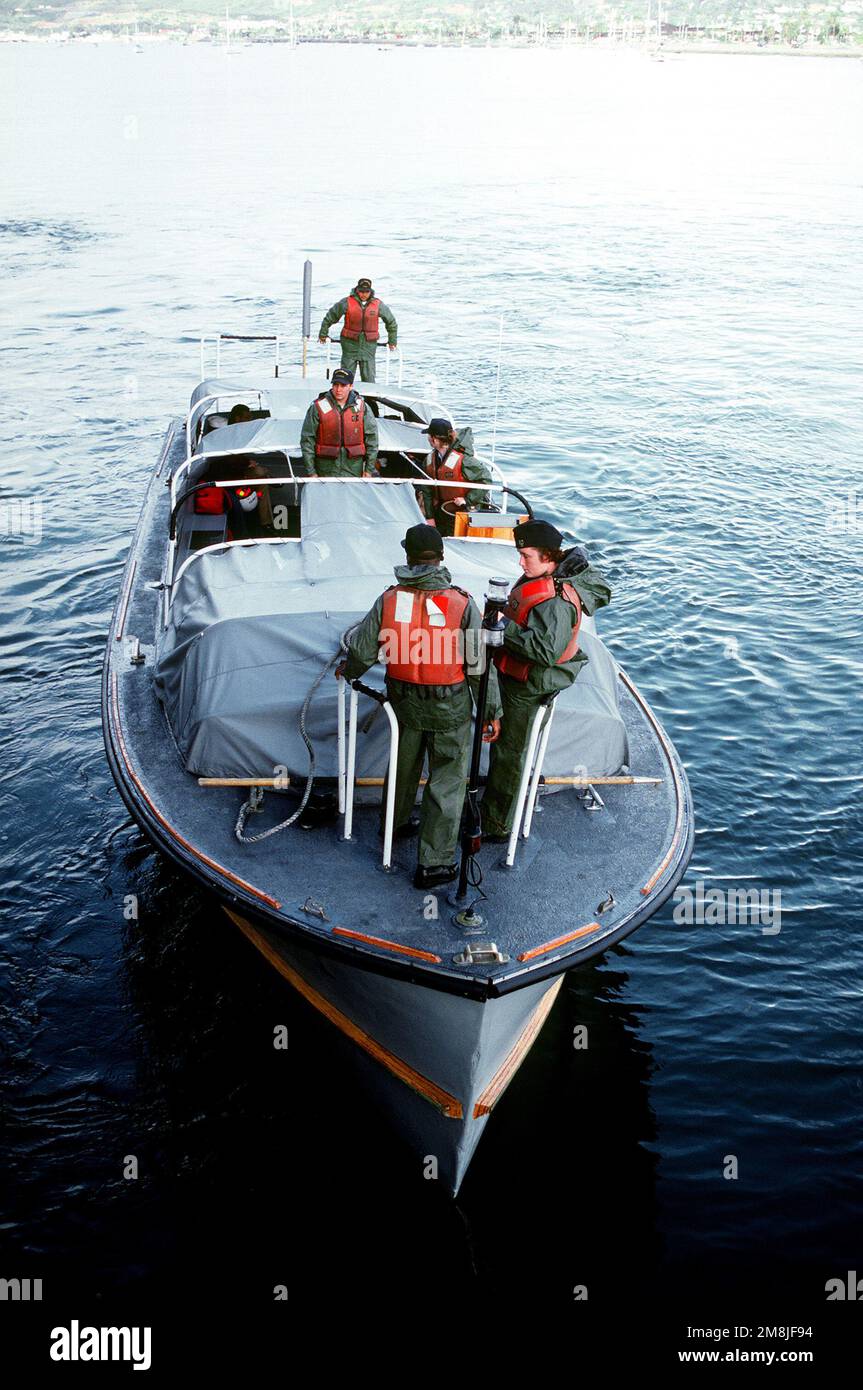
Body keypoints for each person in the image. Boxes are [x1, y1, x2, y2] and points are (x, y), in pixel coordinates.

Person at [337, 524, 501, 889]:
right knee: (446, 782)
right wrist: (491, 712)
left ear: (408, 558)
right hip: (450, 710)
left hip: (404, 705)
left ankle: (392, 828)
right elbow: (477, 667)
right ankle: (434, 865)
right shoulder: (462, 603)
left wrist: (348, 672)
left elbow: (363, 649)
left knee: (402, 768)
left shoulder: (389, 599)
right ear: (441, 557)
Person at [481, 519, 606, 842]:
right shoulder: (543, 578)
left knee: (510, 754)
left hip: (528, 685)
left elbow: (544, 650)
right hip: (517, 677)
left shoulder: (556, 601)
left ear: (549, 557)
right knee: (507, 752)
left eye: (526, 556)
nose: (520, 563)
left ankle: (497, 826)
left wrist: (501, 626)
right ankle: (495, 810)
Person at [418, 418, 493, 535]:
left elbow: (486, 480)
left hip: (461, 513)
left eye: (429, 435)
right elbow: (427, 490)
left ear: (434, 439)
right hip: (440, 513)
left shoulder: (465, 460)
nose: (427, 438)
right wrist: (429, 517)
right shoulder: (429, 460)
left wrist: (467, 500)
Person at [300, 368, 379, 477]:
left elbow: (372, 440)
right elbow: (307, 440)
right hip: (325, 469)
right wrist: (311, 471)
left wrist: (369, 469)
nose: (338, 389)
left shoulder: (362, 407)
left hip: (353, 469)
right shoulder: (317, 407)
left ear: (350, 386)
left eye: (343, 385)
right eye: (335, 385)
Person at [318, 278, 398, 383]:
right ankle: (345, 398)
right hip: (349, 346)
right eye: (361, 291)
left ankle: (369, 399)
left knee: (369, 379)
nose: (364, 294)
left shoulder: (378, 305)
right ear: (357, 290)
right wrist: (323, 334)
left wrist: (392, 341)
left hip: (369, 347)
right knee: (345, 378)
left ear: (370, 291)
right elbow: (330, 317)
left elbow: (391, 322)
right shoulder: (346, 302)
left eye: (366, 292)